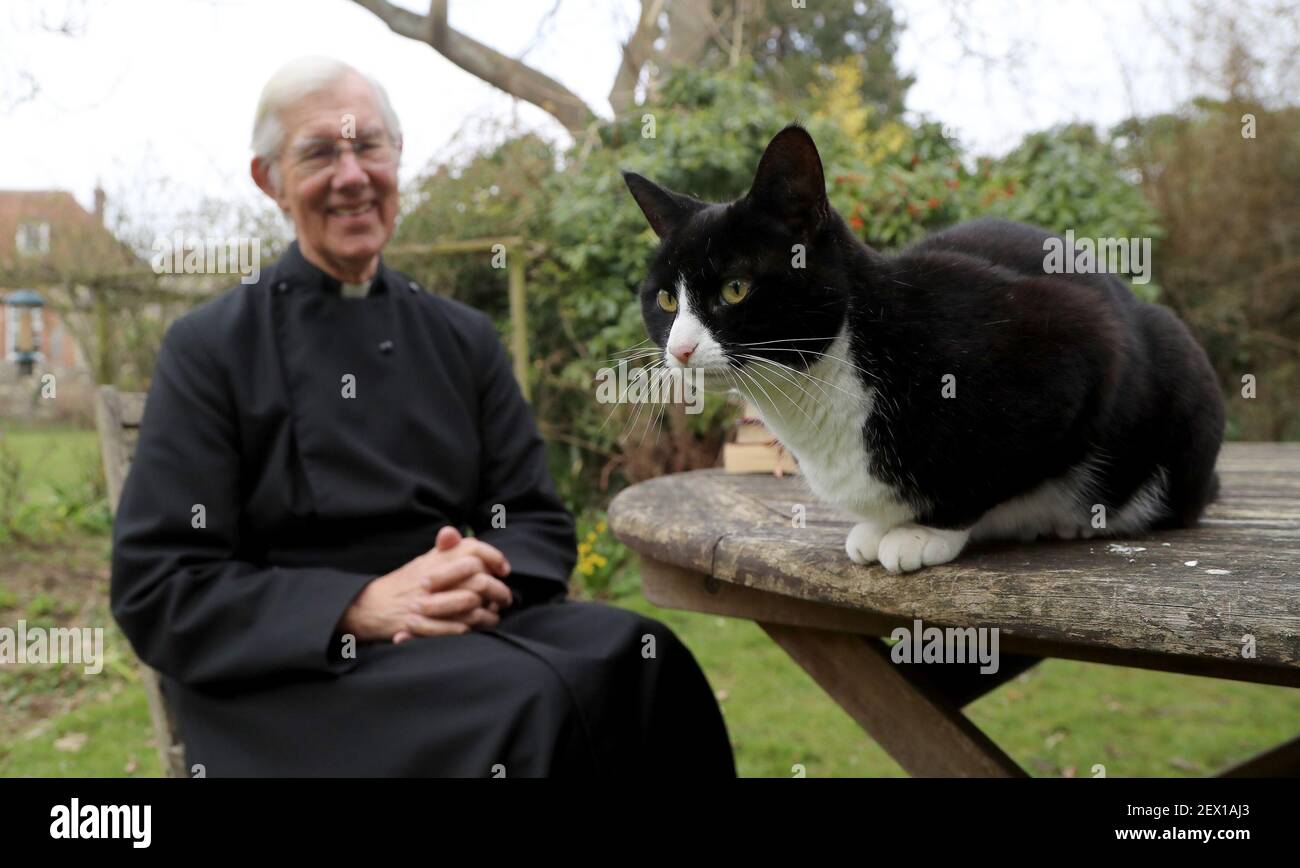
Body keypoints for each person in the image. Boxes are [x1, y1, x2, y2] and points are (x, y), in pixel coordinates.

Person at [109, 56, 735, 777]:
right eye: (319, 153)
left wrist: (473, 572)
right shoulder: (209, 348)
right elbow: (159, 585)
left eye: (369, 145)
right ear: (269, 181)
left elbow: (534, 520)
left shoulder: (461, 338)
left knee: (646, 663)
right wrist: (359, 606)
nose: (352, 175)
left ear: (396, 159)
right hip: (290, 676)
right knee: (538, 706)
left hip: (462, 632)